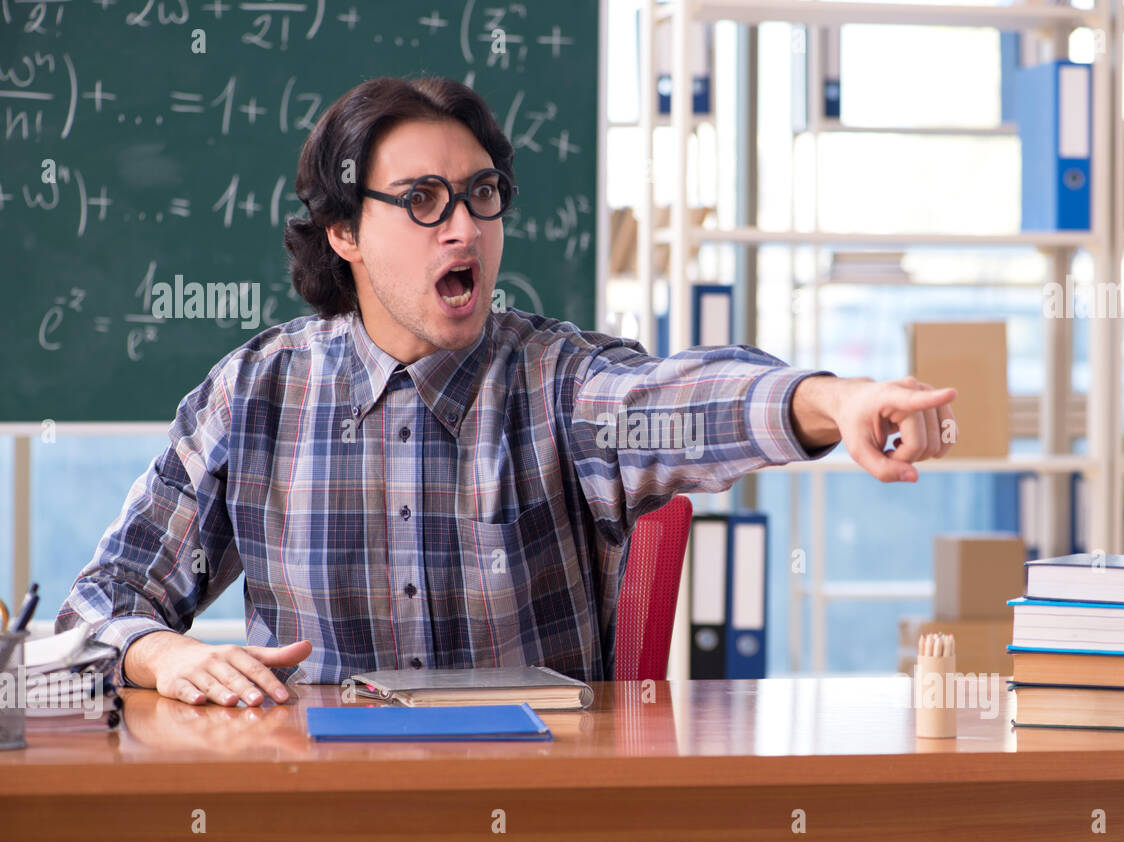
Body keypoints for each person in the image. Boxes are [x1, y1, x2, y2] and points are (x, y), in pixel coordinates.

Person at [55, 76, 957, 707]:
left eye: (482, 194)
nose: (465, 227)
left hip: (540, 817)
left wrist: (830, 400)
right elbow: (100, 603)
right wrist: (160, 649)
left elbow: (678, 403)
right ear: (343, 233)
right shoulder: (255, 392)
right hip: (322, 814)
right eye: (424, 200)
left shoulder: (556, 381)